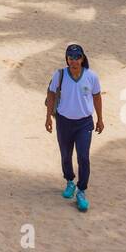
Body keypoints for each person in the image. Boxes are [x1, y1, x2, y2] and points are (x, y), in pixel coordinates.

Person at [43, 43, 105, 214]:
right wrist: (48, 116)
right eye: (71, 58)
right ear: (67, 59)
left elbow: (97, 97)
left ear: (83, 58)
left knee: (84, 157)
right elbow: (51, 94)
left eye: (77, 57)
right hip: (64, 122)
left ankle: (81, 191)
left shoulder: (91, 76)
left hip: (84, 123)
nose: (74, 61)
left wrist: (100, 119)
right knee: (65, 155)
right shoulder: (60, 75)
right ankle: (70, 181)